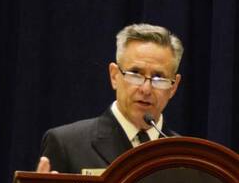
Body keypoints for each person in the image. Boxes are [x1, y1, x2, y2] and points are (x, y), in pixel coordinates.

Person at [36, 23, 183, 174]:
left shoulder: (186, 157)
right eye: (135, 74)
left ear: (173, 87)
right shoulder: (66, 145)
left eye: (159, 78)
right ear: (114, 76)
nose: (146, 89)